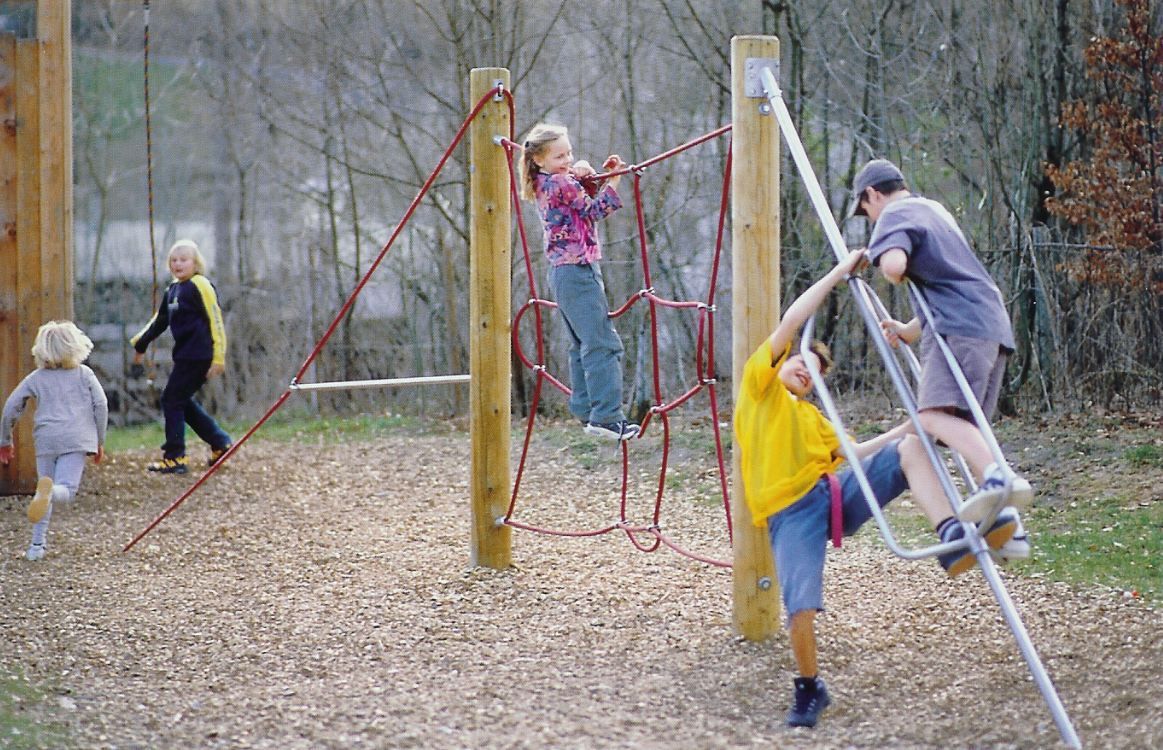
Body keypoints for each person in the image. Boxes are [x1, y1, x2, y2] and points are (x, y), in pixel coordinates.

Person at [734, 249, 1017, 729]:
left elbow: (856, 452)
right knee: (800, 608)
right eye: (803, 363)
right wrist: (837, 273)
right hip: (790, 515)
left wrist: (908, 427)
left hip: (831, 496)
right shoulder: (758, 389)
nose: (808, 372)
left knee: (909, 448)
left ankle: (950, 535)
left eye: (817, 375)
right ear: (783, 363)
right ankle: (809, 687)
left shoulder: (812, 418)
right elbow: (792, 319)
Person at [851, 158, 1032, 557]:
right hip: (989, 324)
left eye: (866, 210)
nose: (870, 218)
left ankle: (999, 477)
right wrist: (908, 331)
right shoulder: (935, 211)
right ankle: (1008, 526)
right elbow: (949, 280)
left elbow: (896, 267)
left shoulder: (894, 214)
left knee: (930, 416)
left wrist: (879, 258)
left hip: (960, 329)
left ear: (872, 194)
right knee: (960, 424)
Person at [520, 123, 638, 441]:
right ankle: (607, 417)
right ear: (539, 160)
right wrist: (614, 179)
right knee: (603, 343)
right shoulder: (559, 181)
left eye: (569, 153)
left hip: (562, 272)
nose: (567, 159)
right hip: (577, 271)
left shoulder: (544, 180)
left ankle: (588, 410)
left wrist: (582, 172)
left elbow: (576, 203)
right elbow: (595, 210)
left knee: (581, 343)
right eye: (560, 156)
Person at [0, 321, 108, 561]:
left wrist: (5, 440)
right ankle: (49, 494)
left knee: (44, 486)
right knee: (65, 490)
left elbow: (10, 408)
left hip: (46, 440)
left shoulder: (36, 378)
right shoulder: (85, 374)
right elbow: (101, 405)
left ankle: (36, 547)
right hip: (76, 439)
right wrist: (100, 440)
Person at [130, 239, 232, 474]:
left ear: (196, 263)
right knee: (180, 400)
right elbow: (160, 321)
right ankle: (219, 442)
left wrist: (218, 357)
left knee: (172, 399)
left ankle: (175, 456)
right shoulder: (173, 290)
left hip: (200, 354)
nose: (178, 264)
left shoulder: (200, 285)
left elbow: (216, 321)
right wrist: (140, 344)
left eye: (184, 260)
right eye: (174, 260)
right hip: (185, 355)